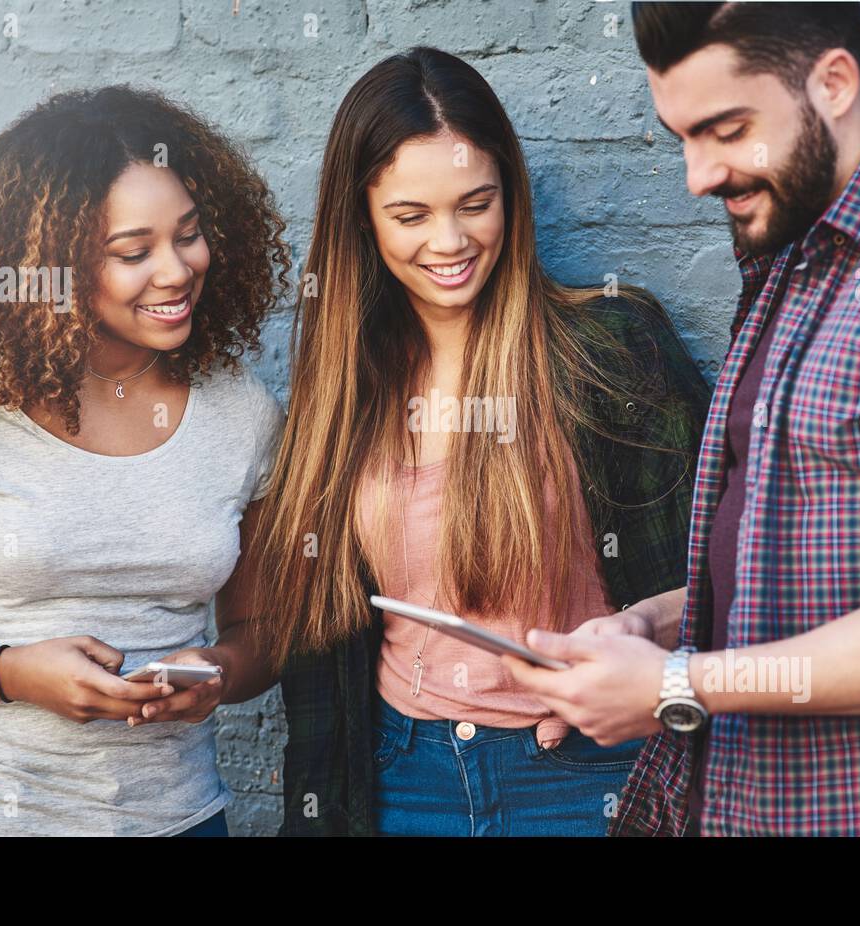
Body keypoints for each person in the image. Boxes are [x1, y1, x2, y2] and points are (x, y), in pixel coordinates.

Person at [506, 2, 860, 836]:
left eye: (725, 128)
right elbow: (800, 559)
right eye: (682, 137)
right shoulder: (791, 255)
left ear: (834, 82)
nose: (698, 175)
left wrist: (680, 687)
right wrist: (659, 626)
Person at [242, 46, 709, 836]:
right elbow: (317, 655)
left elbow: (733, 576)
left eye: (475, 203)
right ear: (362, 218)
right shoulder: (344, 392)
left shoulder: (612, 350)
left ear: (511, 198)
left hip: (585, 773)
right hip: (399, 778)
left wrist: (644, 646)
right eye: (410, 215)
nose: (450, 241)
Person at [0, 85, 289, 836]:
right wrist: (13, 674)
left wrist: (217, 675)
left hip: (176, 820)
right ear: (52, 265)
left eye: (189, 235)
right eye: (133, 252)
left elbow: (262, 632)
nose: (176, 270)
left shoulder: (241, 412)